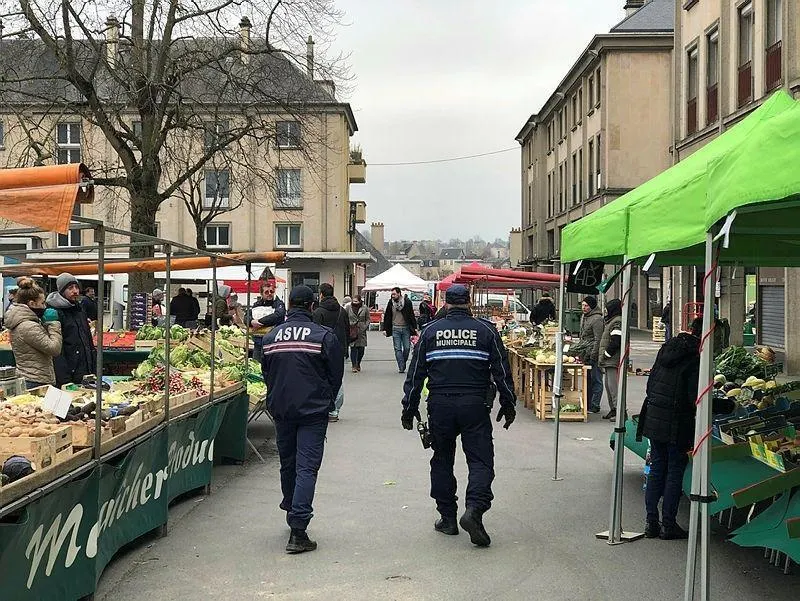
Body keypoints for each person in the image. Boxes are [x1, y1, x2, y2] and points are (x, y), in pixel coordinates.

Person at [402, 284, 517, 548]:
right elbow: (502, 370)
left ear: (446, 302)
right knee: (480, 460)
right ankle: (474, 509)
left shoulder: (430, 331)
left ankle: (448, 518)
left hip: (440, 404)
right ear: (469, 302)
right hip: (475, 404)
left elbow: (416, 374)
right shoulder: (486, 330)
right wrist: (508, 404)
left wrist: (409, 408)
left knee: (442, 459)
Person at [261, 285, 344, 554]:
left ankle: (291, 506)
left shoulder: (271, 337)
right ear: (311, 305)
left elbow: (266, 372)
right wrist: (326, 400)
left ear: (289, 303)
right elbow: (335, 374)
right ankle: (298, 529)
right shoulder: (323, 336)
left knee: (288, 463)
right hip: (312, 411)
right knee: (307, 467)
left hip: (281, 410)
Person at [636, 318, 702, 540]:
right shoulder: (694, 358)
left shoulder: (665, 351)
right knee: (674, 471)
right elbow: (695, 397)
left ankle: (651, 522)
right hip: (677, 423)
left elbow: (650, 385)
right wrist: (724, 405)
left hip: (655, 417)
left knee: (657, 469)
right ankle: (669, 524)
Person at [6, 277, 62, 389]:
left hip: (30, 377)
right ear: (32, 303)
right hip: (36, 380)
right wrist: (53, 324)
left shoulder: (24, 321)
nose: (44, 307)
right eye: (42, 303)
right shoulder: (28, 326)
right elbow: (54, 348)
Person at [46, 273, 96, 387]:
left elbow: (87, 340)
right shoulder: (55, 312)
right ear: (62, 291)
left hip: (85, 371)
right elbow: (57, 349)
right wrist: (65, 379)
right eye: (70, 288)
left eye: (76, 287)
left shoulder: (79, 309)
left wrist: (93, 367)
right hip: (69, 373)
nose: (75, 291)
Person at [312, 283, 349, 421]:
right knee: (338, 378)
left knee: (323, 378)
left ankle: (325, 407)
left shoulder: (318, 312)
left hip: (322, 350)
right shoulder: (342, 310)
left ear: (321, 294)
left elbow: (315, 333)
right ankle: (335, 409)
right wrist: (346, 349)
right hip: (339, 349)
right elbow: (347, 330)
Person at [383, 287, 418, 373]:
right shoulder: (391, 303)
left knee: (407, 348)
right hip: (395, 328)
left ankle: (403, 362)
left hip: (406, 328)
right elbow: (387, 316)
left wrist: (415, 327)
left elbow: (411, 315)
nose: (393, 296)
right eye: (392, 294)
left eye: (394, 294)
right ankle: (401, 366)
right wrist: (385, 328)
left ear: (399, 293)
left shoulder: (407, 302)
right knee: (397, 348)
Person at [598, 298, 623, 420]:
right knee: (608, 386)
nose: (606, 312)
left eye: (608, 309)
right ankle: (613, 409)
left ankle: (620, 412)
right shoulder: (612, 321)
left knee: (614, 387)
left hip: (613, 359)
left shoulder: (616, 322)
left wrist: (606, 354)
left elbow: (615, 342)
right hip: (609, 361)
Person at [580, 296, 604, 413]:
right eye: (583, 305)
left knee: (596, 379)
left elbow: (598, 339)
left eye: (586, 306)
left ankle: (595, 404)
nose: (584, 308)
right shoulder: (584, 317)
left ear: (592, 306)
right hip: (585, 352)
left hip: (593, 354)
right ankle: (588, 402)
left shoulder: (597, 319)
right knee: (587, 379)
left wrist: (593, 355)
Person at [347, 295, 369, 372]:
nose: (354, 302)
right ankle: (354, 365)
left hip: (361, 330)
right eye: (353, 301)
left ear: (360, 301)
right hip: (352, 330)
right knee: (353, 348)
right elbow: (345, 317)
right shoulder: (348, 307)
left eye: (356, 301)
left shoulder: (365, 308)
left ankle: (358, 363)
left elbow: (368, 319)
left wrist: (364, 326)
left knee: (361, 349)